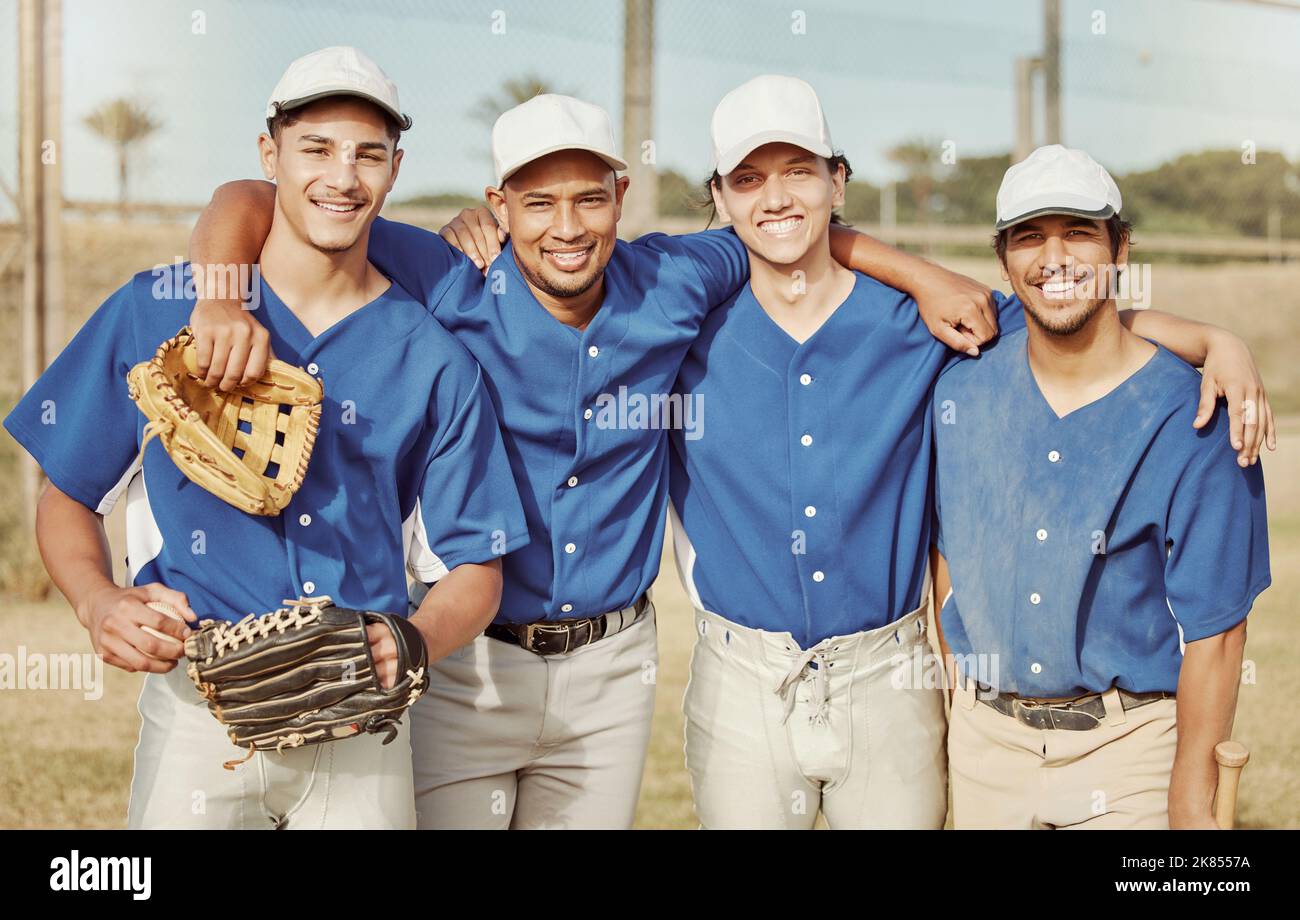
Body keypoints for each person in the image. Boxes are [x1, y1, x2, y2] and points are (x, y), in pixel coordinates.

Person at [183, 89, 1011, 829]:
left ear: (623, 196)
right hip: (472, 660)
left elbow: (793, 229)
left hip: (612, 670)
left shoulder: (678, 277)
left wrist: (920, 274)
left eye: (590, 198)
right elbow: (254, 195)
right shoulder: (449, 277)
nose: (568, 226)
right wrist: (220, 294)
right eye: (537, 202)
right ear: (497, 206)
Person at [665, 78, 1273, 829]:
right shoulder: (679, 320)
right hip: (742, 675)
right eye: (749, 179)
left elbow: (1077, 316)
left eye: (800, 172)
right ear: (720, 198)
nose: (778, 196)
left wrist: (1218, 339)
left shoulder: (930, 325)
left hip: (889, 672)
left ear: (838, 180)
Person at [2, 46, 527, 829]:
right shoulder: (162, 310)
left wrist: (411, 643)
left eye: (367, 155)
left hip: (361, 718)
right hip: (196, 707)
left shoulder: (433, 354)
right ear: (268, 155)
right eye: (315, 148)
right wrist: (95, 598)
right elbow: (70, 494)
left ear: (395, 169)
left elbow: (476, 564)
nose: (342, 177)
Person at [931, 144, 1271, 829]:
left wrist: (1187, 804)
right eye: (1029, 237)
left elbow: (1218, 634)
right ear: (1004, 260)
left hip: (1128, 750)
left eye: (1079, 232)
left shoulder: (1195, 414)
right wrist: (954, 705)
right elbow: (948, 557)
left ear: (1120, 250)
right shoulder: (959, 389)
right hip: (983, 747)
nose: (1054, 257)